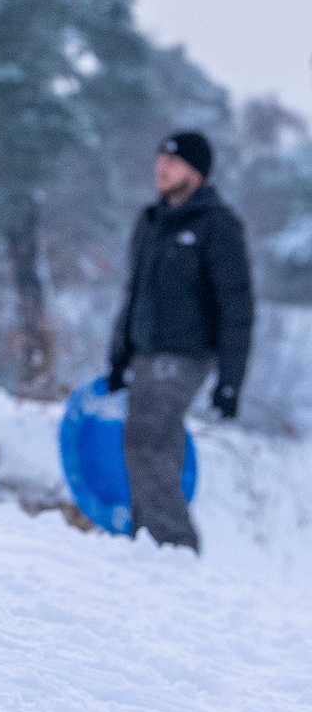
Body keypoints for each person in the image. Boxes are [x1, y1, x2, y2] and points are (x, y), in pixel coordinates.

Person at [106, 130, 255, 551]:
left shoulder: (217, 225)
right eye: (159, 160)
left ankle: (174, 546)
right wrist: (118, 356)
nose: (161, 168)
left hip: (186, 355)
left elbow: (237, 307)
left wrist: (230, 381)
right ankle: (148, 544)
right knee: (155, 445)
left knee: (146, 438)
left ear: (197, 172)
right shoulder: (151, 222)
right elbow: (133, 292)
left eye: (172, 162)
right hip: (145, 351)